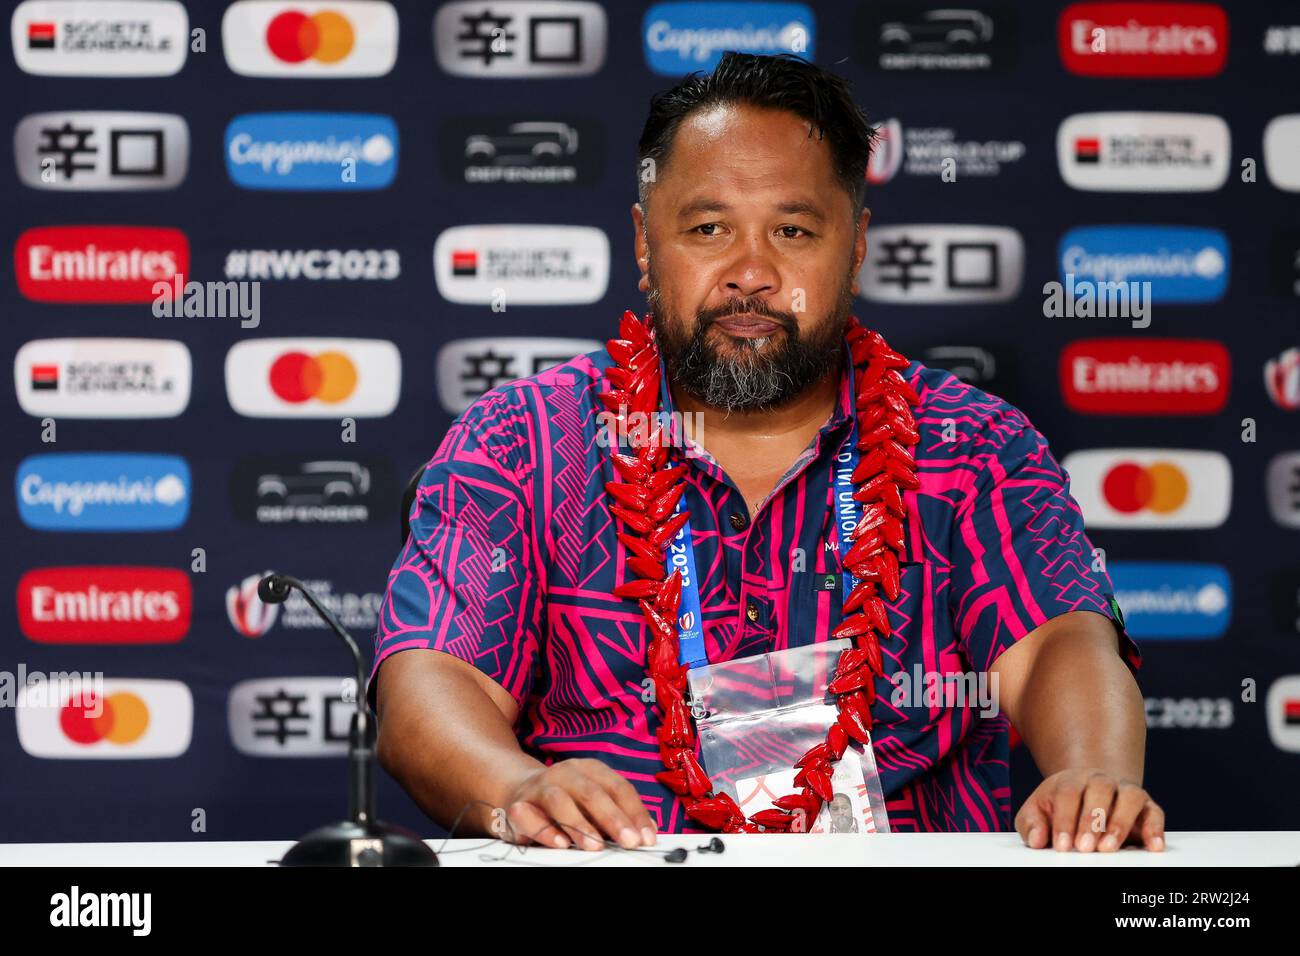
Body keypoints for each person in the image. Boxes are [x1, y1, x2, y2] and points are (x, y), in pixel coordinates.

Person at [371, 52, 1162, 853]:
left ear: (854, 245)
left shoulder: (974, 443)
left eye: (792, 230)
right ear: (646, 243)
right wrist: (515, 787)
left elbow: (1061, 642)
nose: (751, 274)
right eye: (708, 228)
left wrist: (1093, 773)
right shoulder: (523, 441)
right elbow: (434, 681)